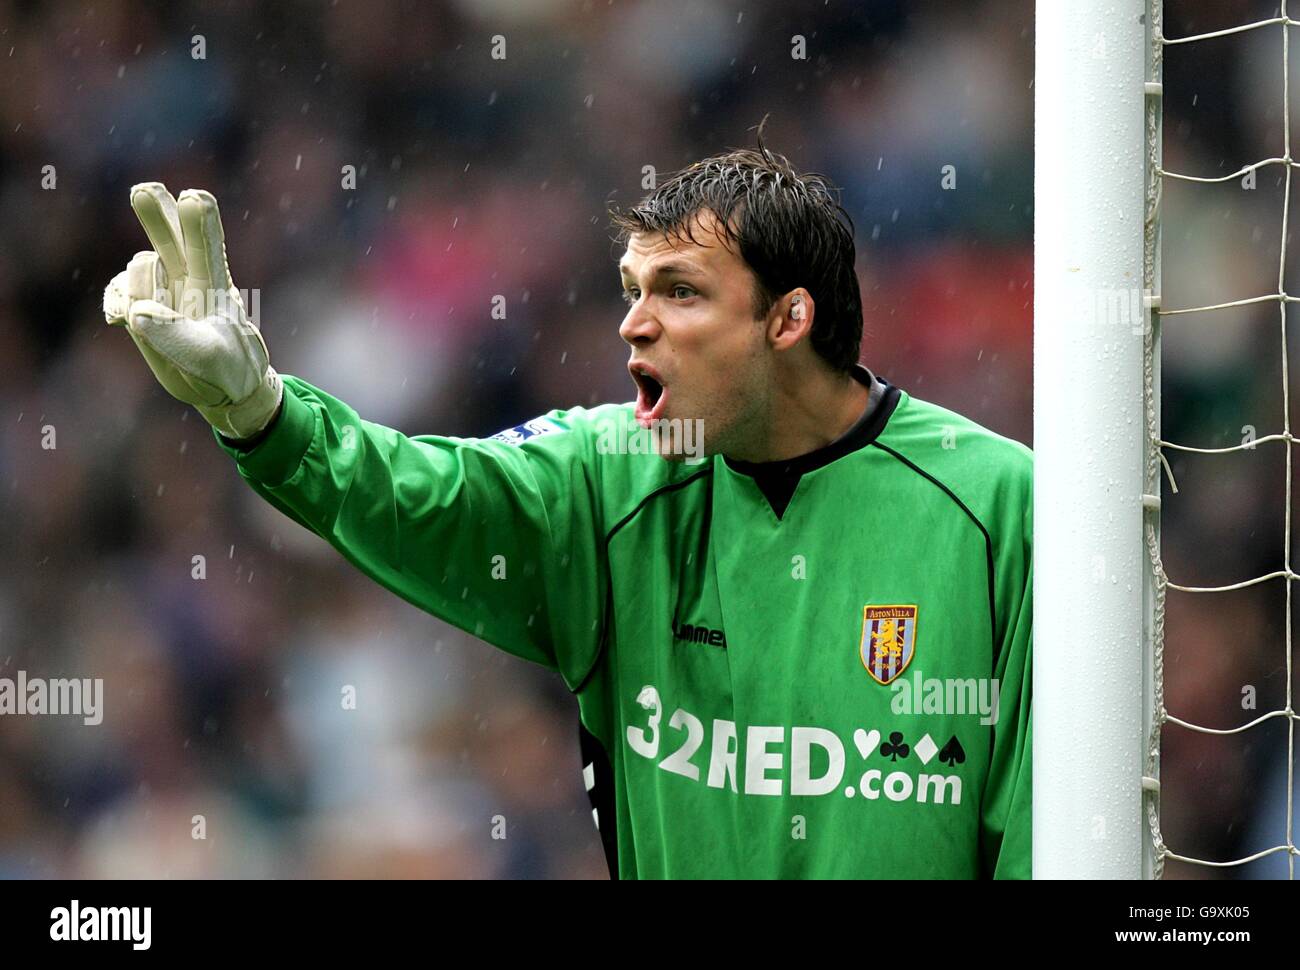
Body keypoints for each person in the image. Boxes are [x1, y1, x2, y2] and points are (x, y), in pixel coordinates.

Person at [102, 140, 1033, 879]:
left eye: (680, 292)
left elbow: (1050, 833)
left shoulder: (1001, 507)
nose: (633, 322)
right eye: (631, 291)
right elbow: (415, 489)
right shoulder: (603, 480)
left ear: (788, 320)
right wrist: (260, 412)